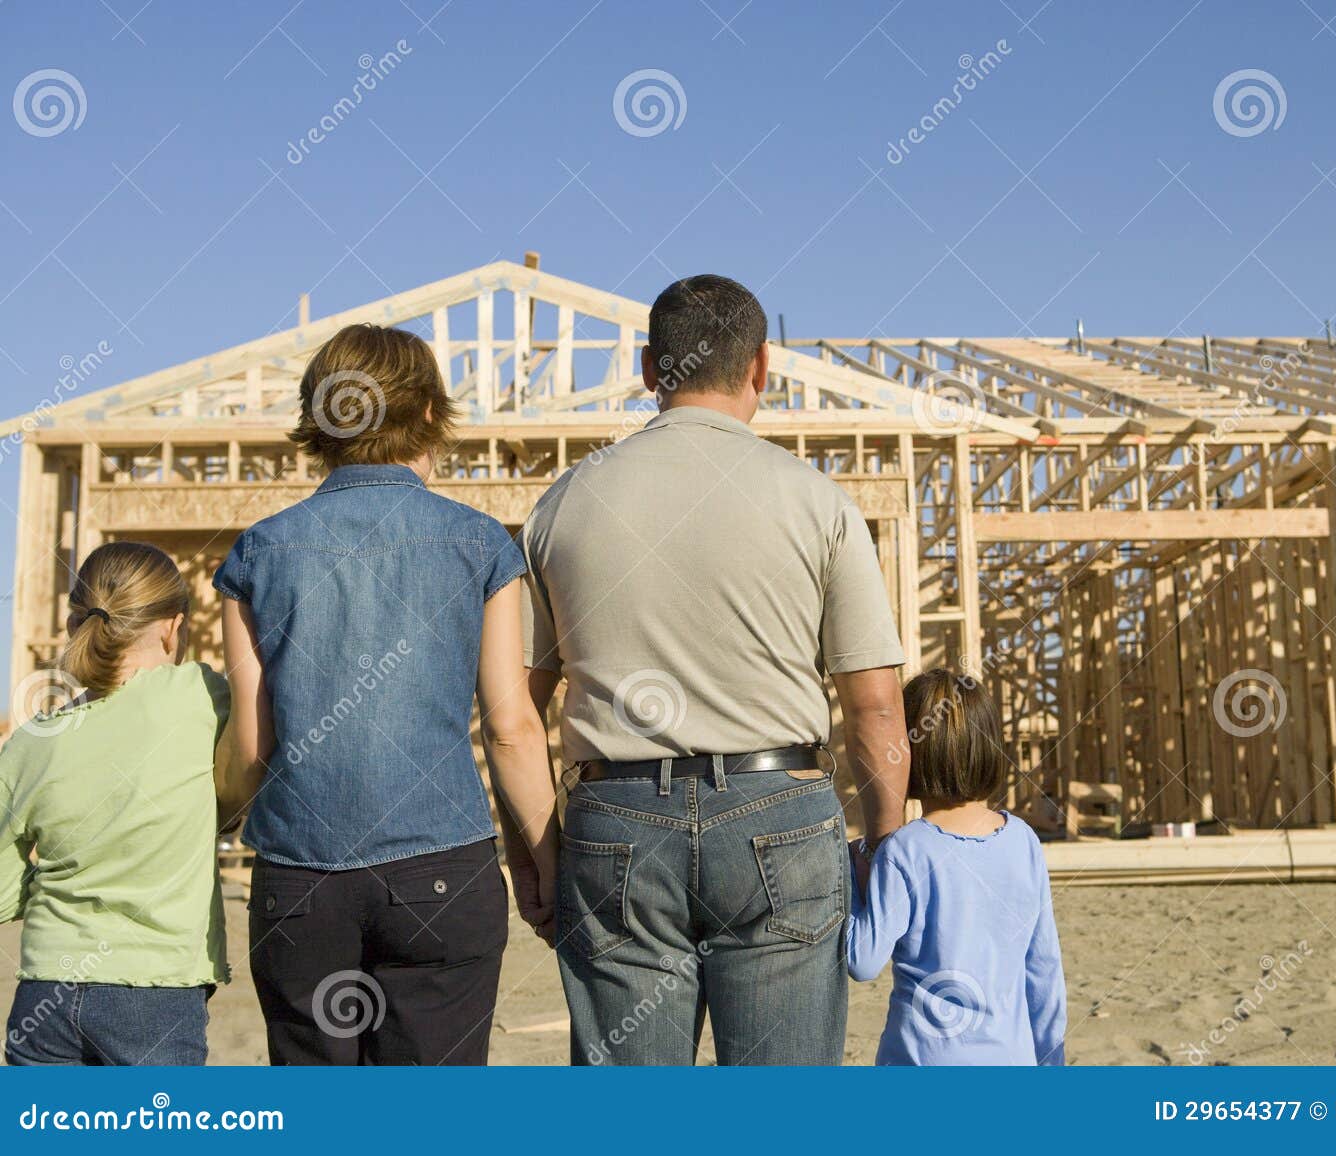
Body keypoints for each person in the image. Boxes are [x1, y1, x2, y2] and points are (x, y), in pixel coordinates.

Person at [519, 274, 909, 1065]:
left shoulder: (564, 504)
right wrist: (886, 845)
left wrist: (538, 856)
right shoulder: (818, 501)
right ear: (762, 365)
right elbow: (873, 707)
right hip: (779, 814)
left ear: (648, 368)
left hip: (616, 821)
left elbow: (515, 713)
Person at [214, 323, 559, 1066]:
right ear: (430, 412)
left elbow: (251, 746)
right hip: (440, 869)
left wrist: (209, 821)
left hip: (298, 878)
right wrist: (546, 860)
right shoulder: (480, 543)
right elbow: (511, 729)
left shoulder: (257, 552)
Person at [2, 542, 230, 1065]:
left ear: (74, 625)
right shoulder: (200, 696)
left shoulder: (31, 742)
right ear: (174, 628)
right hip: (154, 991)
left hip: (43, 990)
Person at [847, 669, 1067, 1065]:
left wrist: (850, 866)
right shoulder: (1024, 841)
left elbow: (862, 961)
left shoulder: (905, 849)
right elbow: (1043, 969)